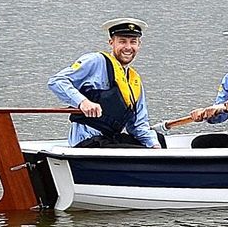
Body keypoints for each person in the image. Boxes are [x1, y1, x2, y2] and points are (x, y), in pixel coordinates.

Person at [48, 18, 161, 148]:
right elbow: (57, 81)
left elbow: (138, 125)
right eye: (122, 41)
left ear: (139, 45)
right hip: (87, 142)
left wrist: (154, 146)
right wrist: (82, 102)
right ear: (111, 43)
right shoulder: (95, 61)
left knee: (158, 140)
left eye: (133, 42)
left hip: (109, 140)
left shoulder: (134, 81)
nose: (128, 47)